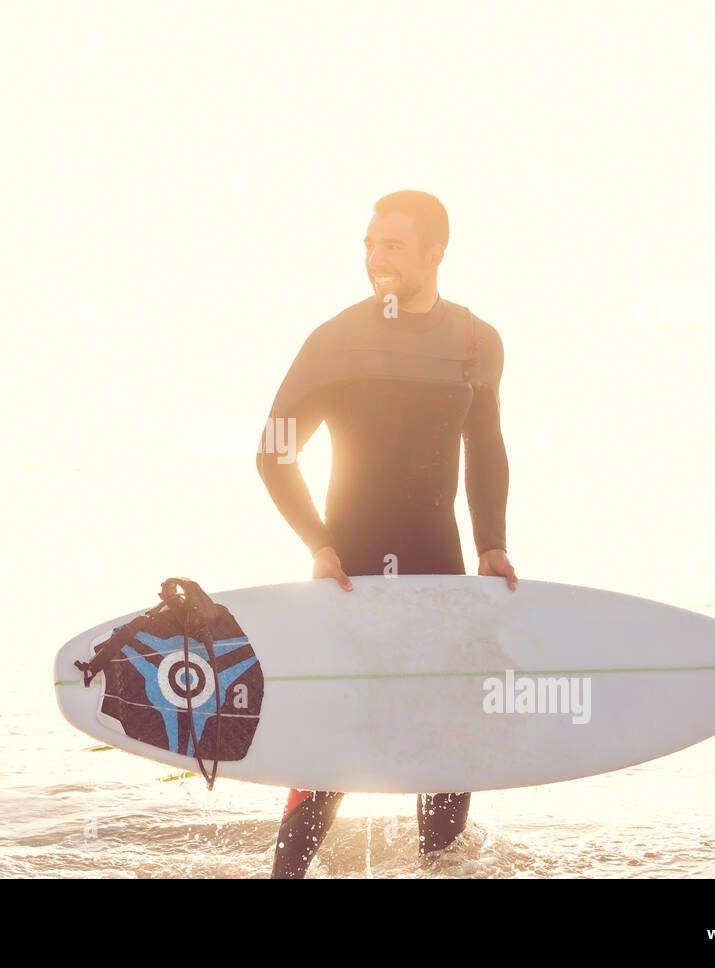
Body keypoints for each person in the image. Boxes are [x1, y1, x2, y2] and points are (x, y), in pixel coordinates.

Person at [255, 190, 518, 878]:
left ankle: (439, 869)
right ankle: (284, 877)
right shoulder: (338, 339)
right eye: (369, 245)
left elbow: (486, 447)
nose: (376, 259)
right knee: (333, 740)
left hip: (442, 569)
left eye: (392, 245)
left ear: (436, 252)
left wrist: (492, 542)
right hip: (352, 571)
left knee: (447, 738)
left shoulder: (475, 342)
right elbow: (273, 450)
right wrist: (317, 543)